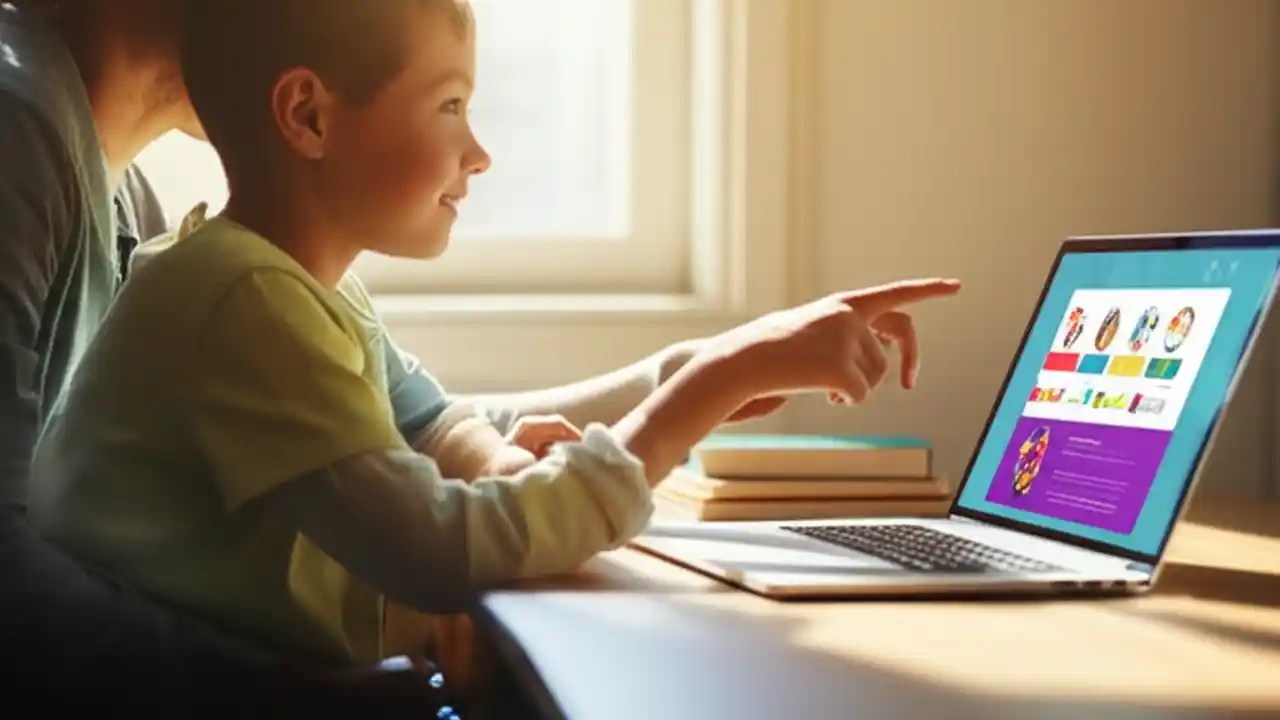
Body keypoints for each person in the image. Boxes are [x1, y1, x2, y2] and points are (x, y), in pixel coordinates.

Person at [30, 0, 961, 678]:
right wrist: (710, 386)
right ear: (309, 116)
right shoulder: (240, 300)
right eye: (449, 107)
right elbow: (439, 550)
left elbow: (440, 430)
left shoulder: (292, 283)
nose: (478, 153)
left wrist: (700, 368)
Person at [0, 1, 459, 713]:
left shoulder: (129, 200)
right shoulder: (16, 129)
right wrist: (301, 695)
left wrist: (659, 393)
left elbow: (410, 425)